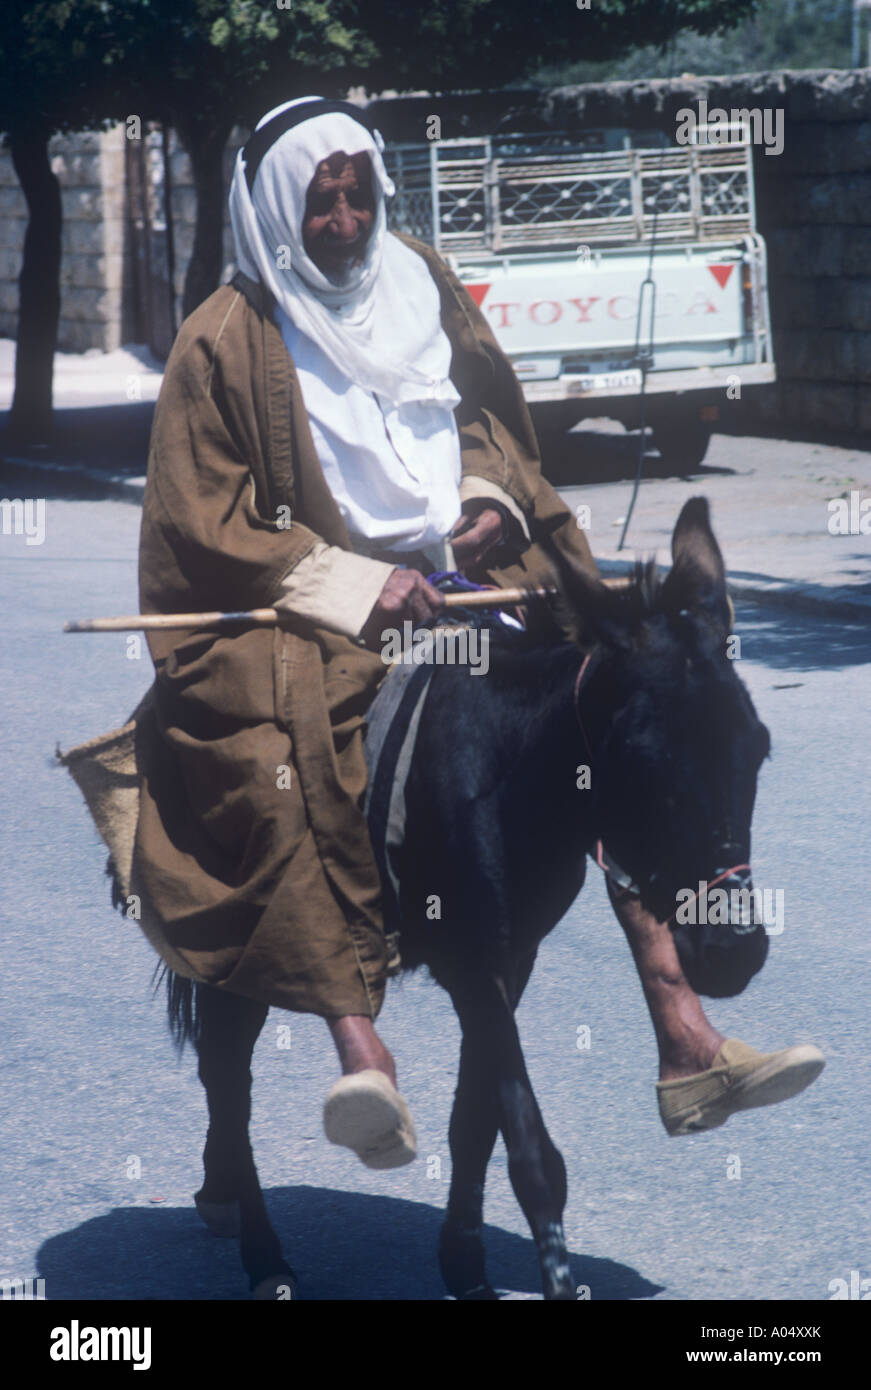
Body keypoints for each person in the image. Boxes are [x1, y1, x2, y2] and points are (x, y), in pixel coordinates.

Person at [134, 97, 823, 1168]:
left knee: (614, 699)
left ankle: (683, 1027)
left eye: (359, 196)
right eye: (321, 203)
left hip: (465, 576)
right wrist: (358, 581)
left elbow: (491, 421)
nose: (346, 221)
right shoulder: (222, 339)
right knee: (280, 752)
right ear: (276, 212)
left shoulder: (420, 276)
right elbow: (205, 524)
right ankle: (361, 1049)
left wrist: (490, 494)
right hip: (309, 607)